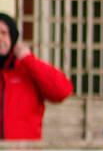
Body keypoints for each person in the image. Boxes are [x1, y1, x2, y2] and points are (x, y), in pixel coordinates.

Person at [0, 12, 73, 140]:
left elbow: (63, 90)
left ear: (12, 37)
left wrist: (29, 60)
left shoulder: (26, 68)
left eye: (4, 33)